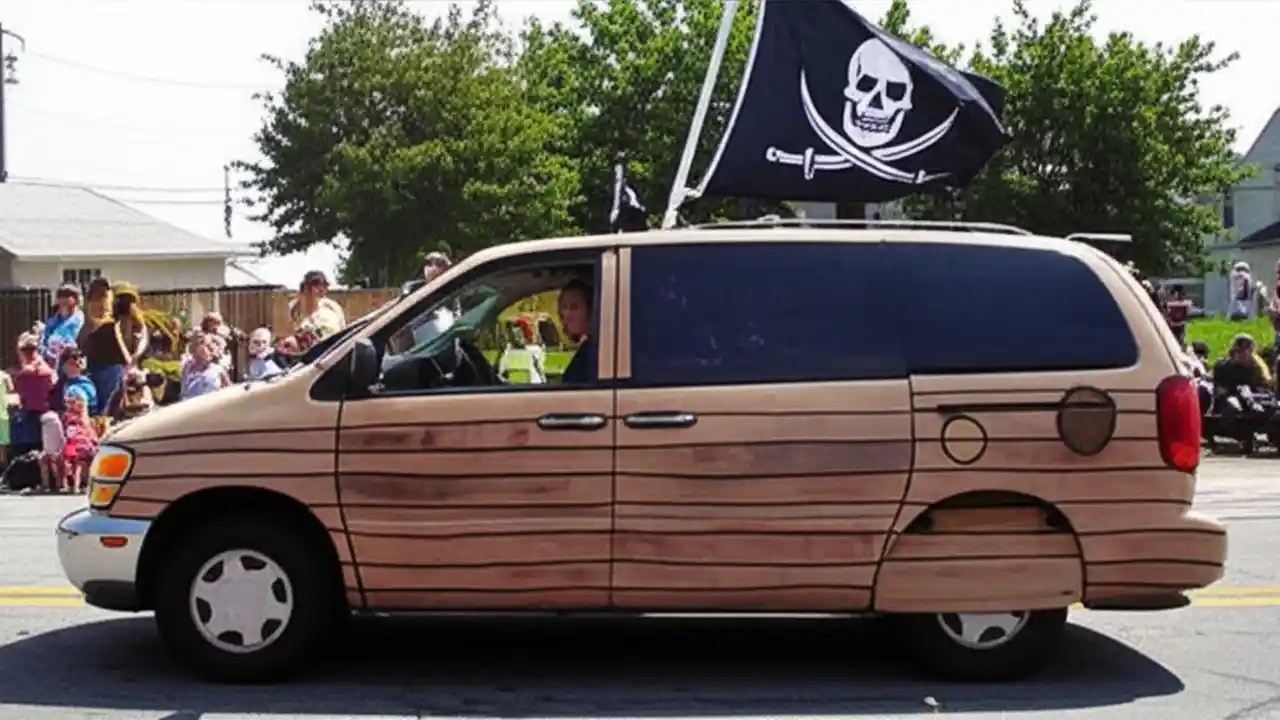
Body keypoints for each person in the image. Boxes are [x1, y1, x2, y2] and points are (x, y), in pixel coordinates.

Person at [289, 270, 346, 349]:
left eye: (324, 286)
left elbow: (338, 332)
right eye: (316, 286)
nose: (321, 290)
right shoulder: (294, 307)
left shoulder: (330, 307)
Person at [557, 278, 595, 385]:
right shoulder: (588, 348)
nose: (566, 315)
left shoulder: (595, 352)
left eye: (574, 307)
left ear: (591, 309)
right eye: (564, 307)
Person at [41, 284, 85, 366]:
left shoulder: (80, 320)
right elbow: (45, 341)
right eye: (61, 296)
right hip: (50, 362)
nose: (63, 299)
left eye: (67, 296)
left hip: (71, 362)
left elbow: (72, 340)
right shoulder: (52, 321)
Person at [181, 332, 231, 400]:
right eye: (207, 346)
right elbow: (183, 393)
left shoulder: (218, 369)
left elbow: (230, 392)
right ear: (197, 348)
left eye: (211, 347)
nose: (212, 350)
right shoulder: (188, 368)